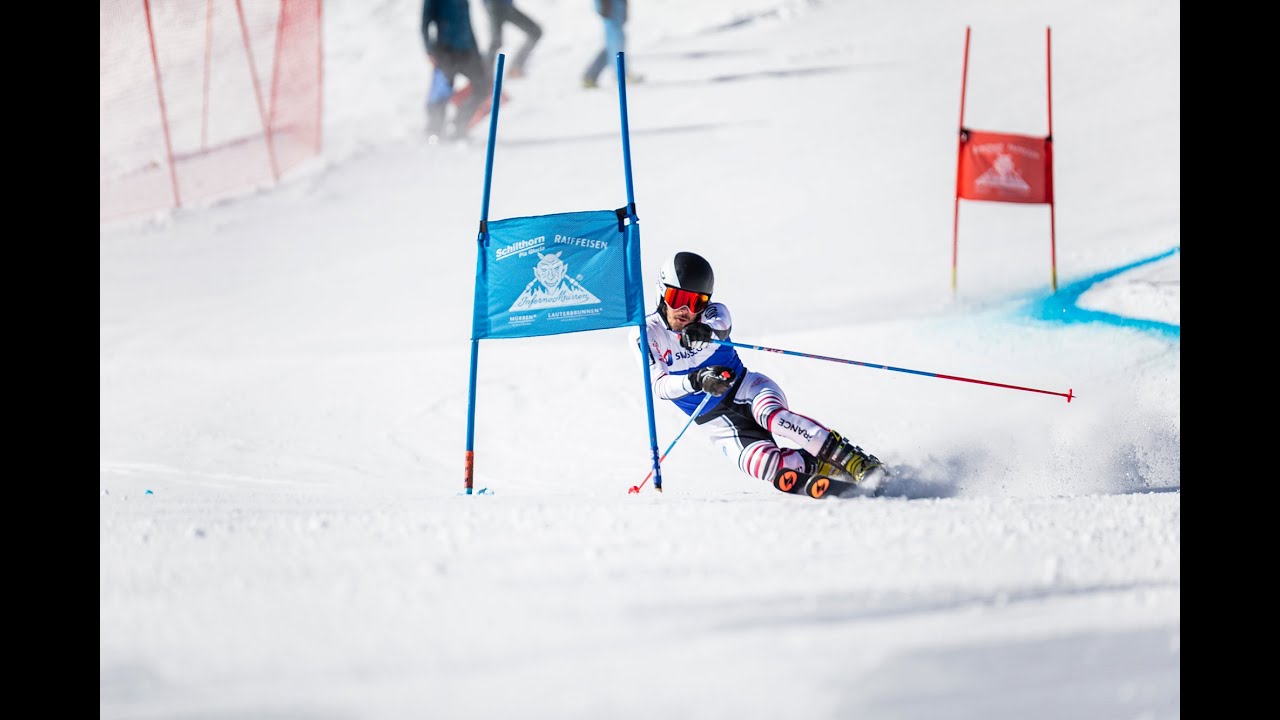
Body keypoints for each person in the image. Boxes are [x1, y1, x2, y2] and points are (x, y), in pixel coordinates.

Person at [632, 251, 885, 494]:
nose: (686, 310)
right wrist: (696, 380)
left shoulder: (711, 315)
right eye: (677, 298)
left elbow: (722, 323)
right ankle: (817, 465)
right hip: (716, 423)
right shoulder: (647, 333)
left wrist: (706, 332)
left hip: (747, 389)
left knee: (772, 416)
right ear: (662, 292)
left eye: (696, 301)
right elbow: (660, 386)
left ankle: (857, 462)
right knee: (764, 464)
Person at [421, 0, 492, 142]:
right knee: (442, 90)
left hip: (467, 51)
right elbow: (425, 23)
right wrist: (429, 50)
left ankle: (459, 126)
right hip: (445, 51)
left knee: (483, 86)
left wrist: (477, 54)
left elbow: (468, 24)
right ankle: (434, 131)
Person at [582, 0, 642, 88]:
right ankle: (621, 74)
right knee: (615, 41)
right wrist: (604, 4)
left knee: (613, 44)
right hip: (610, 7)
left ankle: (590, 75)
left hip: (615, 8)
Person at [483, 1, 543, 80]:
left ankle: (515, 68)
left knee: (535, 32)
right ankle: (482, 76)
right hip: (495, 5)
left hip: (506, 6)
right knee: (496, 42)